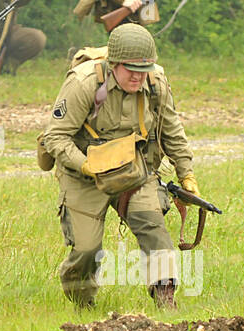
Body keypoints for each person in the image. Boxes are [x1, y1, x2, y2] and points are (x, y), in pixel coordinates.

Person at [40, 24, 200, 310]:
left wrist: (185, 172)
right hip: (84, 174)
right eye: (131, 69)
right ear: (113, 64)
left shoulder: (155, 82)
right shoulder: (83, 83)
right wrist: (86, 165)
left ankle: (166, 301)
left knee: (154, 228)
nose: (139, 76)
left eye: (145, 68)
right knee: (86, 249)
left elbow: (172, 128)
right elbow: (55, 137)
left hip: (133, 169)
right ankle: (83, 303)